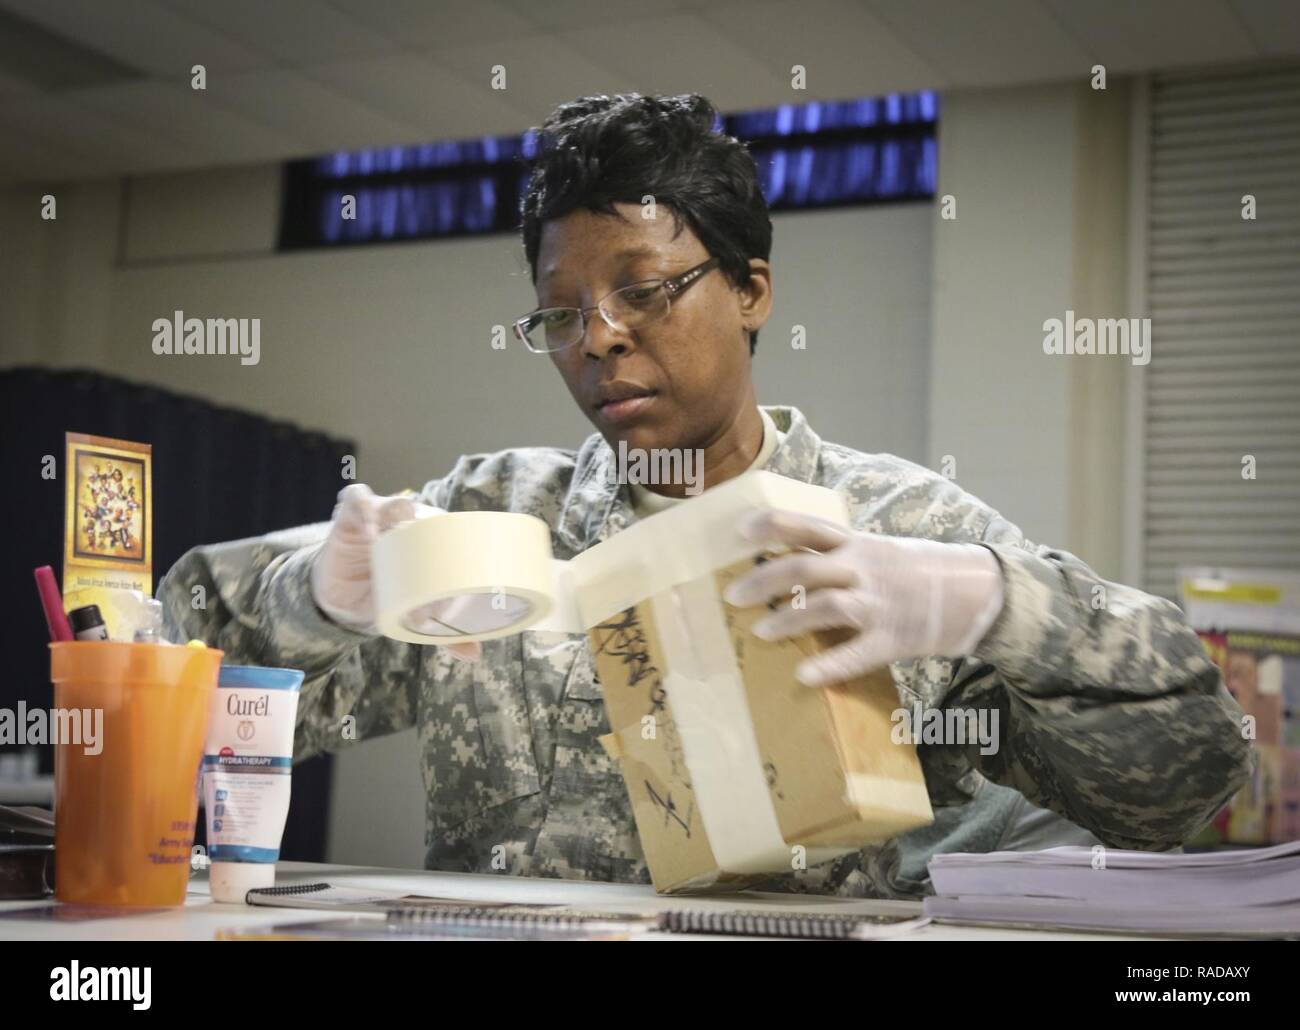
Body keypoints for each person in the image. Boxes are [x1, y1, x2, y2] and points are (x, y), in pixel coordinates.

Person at [158, 93, 1251, 897]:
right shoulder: (495, 520)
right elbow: (166, 676)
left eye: (641, 291)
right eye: (561, 315)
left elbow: (1187, 778)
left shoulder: (901, 532)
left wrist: (991, 604)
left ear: (749, 289)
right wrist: (321, 598)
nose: (600, 339)